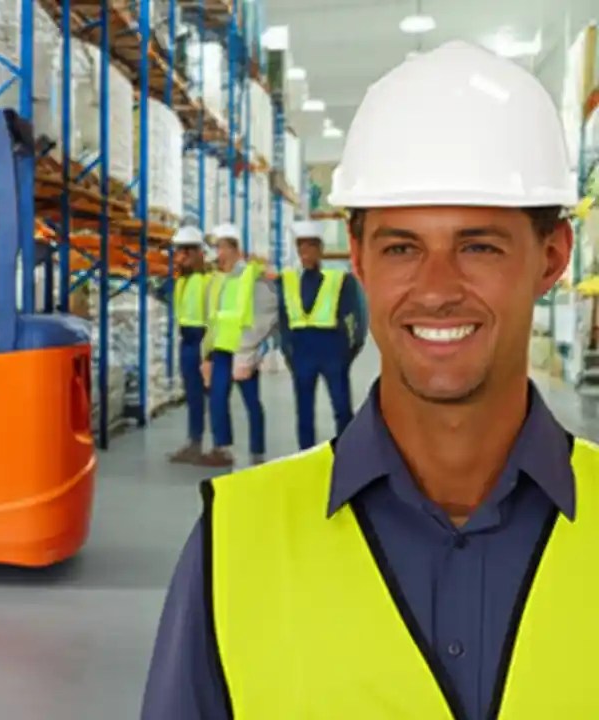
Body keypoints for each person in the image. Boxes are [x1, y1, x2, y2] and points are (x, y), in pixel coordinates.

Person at [141, 41, 593, 718]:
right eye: (402, 248)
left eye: (479, 246)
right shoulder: (233, 542)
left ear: (551, 257)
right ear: (359, 257)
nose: (437, 290)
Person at [278, 219, 367, 449]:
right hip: (301, 351)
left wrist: (349, 352)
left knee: (342, 408)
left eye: (311, 247)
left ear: (321, 250)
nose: (305, 253)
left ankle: (347, 455)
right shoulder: (288, 280)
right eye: (301, 247)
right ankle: (306, 456)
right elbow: (283, 319)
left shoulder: (340, 280)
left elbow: (358, 317)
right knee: (304, 411)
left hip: (333, 350)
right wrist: (288, 352)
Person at [196, 223, 278, 467]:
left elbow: (266, 315)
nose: (217, 254)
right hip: (220, 350)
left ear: (233, 248)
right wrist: (206, 355)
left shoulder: (252, 276)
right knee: (218, 399)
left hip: (244, 351)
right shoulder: (217, 279)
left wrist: (250, 352)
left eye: (220, 247)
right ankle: (222, 448)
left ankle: (257, 451)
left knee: (251, 402)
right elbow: (213, 319)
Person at [165, 226, 217, 464]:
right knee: (193, 397)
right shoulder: (180, 282)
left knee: (215, 396)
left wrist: (210, 353)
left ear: (199, 253)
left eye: (186, 251)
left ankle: (219, 447)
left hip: (204, 342)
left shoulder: (210, 281)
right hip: (186, 341)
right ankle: (194, 443)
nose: (181, 256)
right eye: (179, 251)